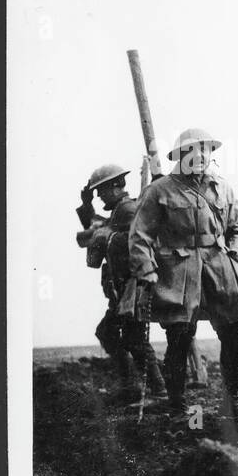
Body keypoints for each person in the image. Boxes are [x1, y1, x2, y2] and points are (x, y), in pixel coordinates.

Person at [127, 128, 238, 419]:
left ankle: (232, 403)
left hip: (219, 269)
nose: (199, 156)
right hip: (179, 273)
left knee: (232, 333)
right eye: (191, 151)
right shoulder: (159, 190)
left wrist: (234, 255)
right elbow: (140, 235)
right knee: (180, 338)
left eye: (205, 150)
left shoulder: (222, 187)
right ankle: (178, 407)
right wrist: (147, 270)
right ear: (180, 156)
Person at [76, 163, 165, 402]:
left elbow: (138, 239)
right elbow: (98, 227)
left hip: (132, 288)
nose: (100, 195)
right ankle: (133, 388)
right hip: (122, 290)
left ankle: (157, 391)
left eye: (101, 190)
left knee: (134, 339)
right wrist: (87, 206)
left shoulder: (127, 209)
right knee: (110, 333)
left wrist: (104, 236)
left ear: (115, 187)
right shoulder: (120, 210)